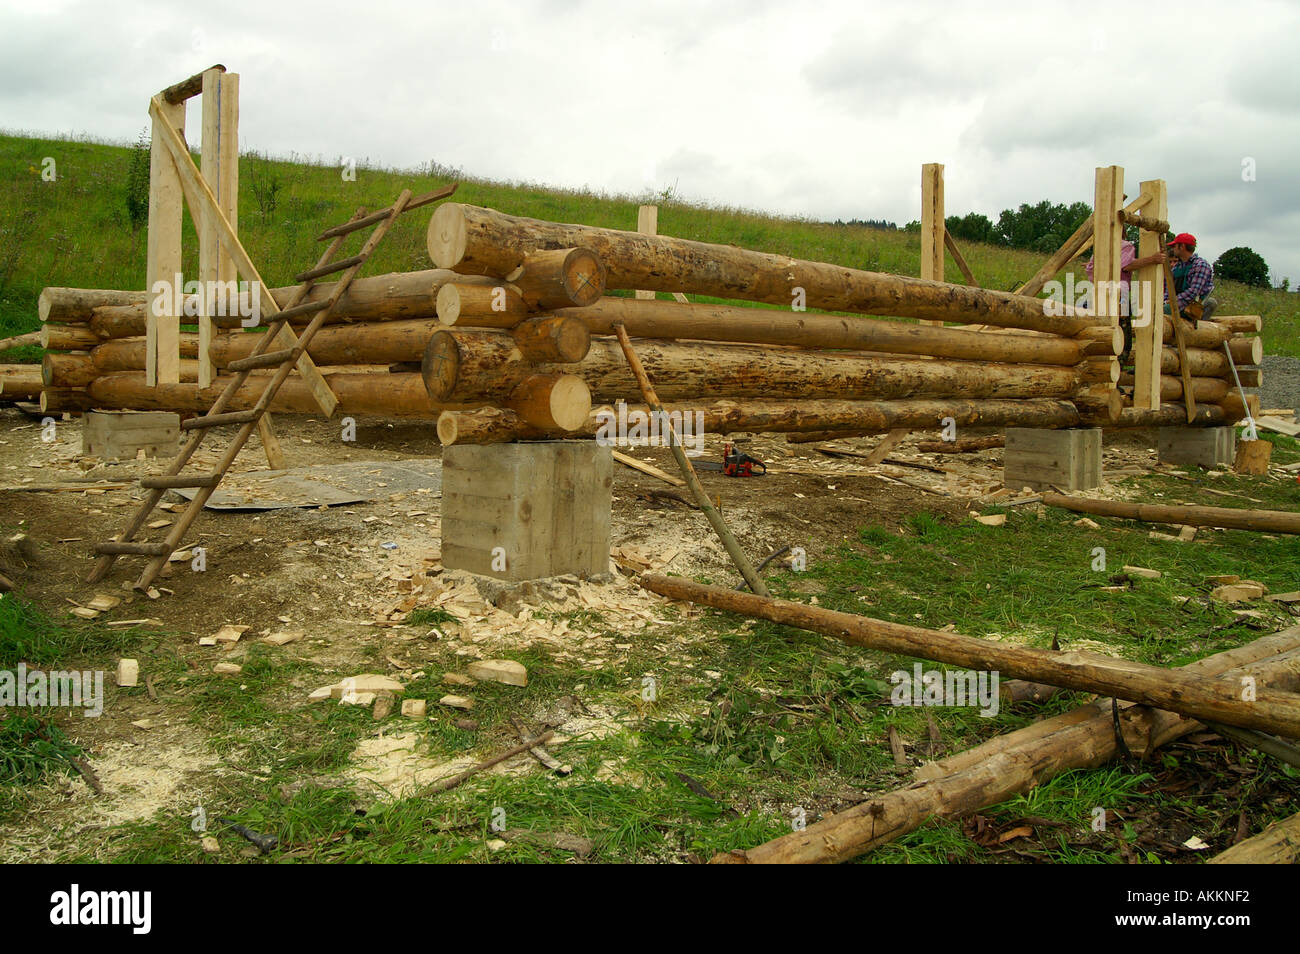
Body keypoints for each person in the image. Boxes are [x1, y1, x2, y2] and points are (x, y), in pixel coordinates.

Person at [1164, 232, 1217, 320]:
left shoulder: (1200, 265)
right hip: (1177, 303)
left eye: (1175, 246)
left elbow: (1193, 292)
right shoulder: (1176, 268)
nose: (1173, 249)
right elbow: (1168, 289)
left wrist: (1173, 301)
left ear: (1182, 246)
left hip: (1192, 305)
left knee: (1160, 314)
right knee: (1157, 311)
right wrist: (1165, 301)